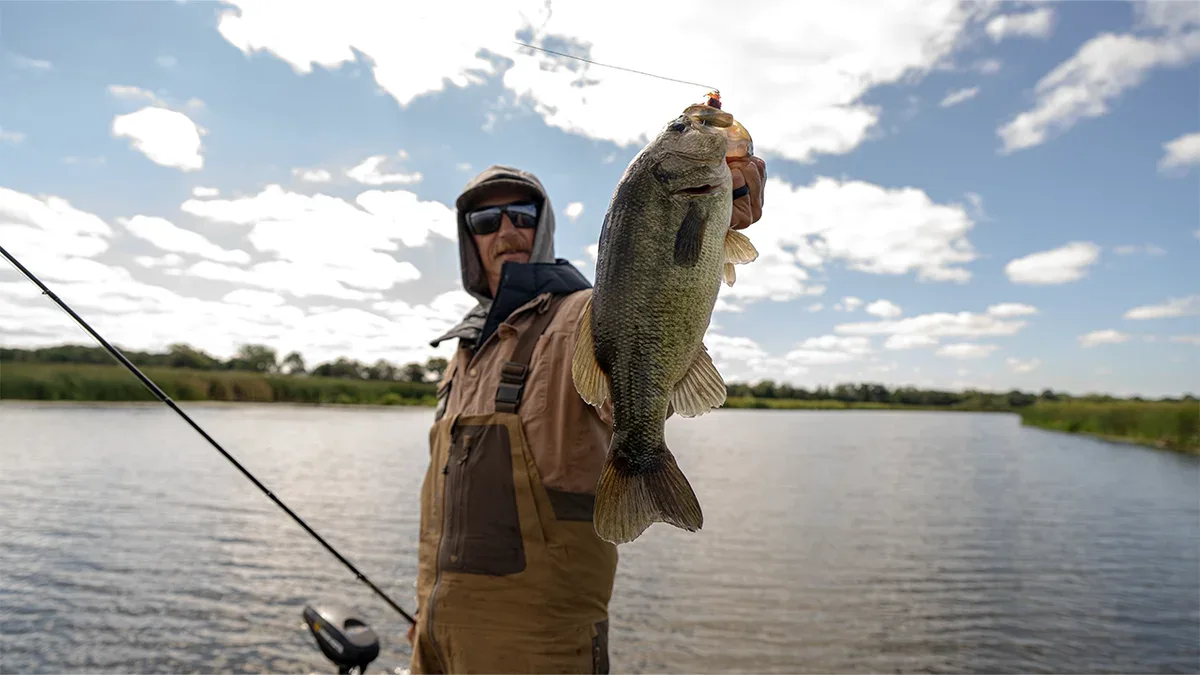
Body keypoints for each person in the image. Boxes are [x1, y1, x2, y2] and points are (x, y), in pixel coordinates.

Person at [407, 152, 767, 674]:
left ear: (544, 225)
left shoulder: (582, 315)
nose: (506, 230)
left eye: (522, 216)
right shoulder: (463, 354)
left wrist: (709, 216)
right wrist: (427, 612)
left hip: (540, 648)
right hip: (434, 642)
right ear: (470, 239)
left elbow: (640, 309)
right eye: (486, 221)